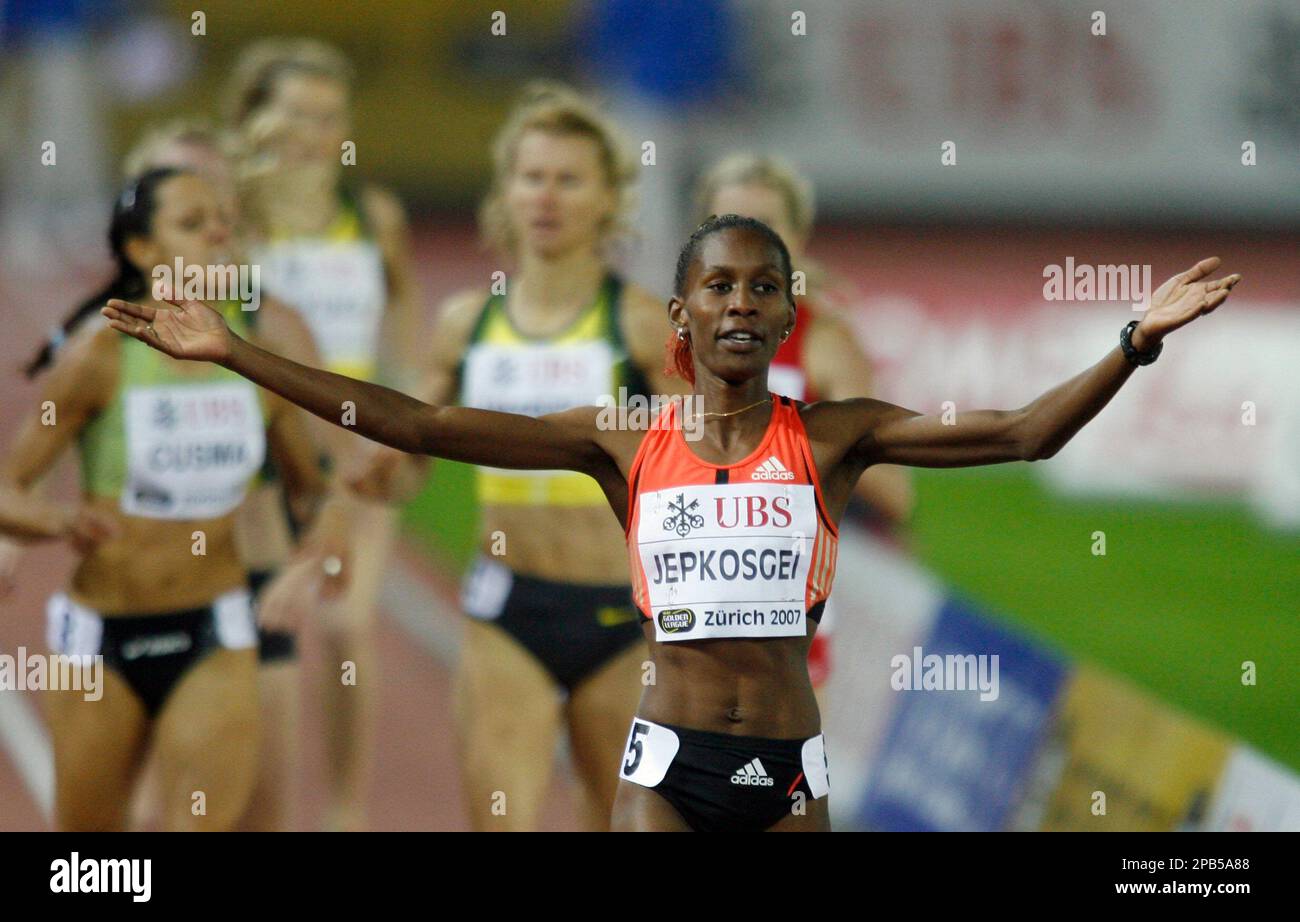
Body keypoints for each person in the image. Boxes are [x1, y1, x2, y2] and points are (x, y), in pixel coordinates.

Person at [103, 214, 1241, 831]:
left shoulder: (836, 434)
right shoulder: (618, 437)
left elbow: (1023, 434)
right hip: (663, 766)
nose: (740, 303)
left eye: (761, 288)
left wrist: (1132, 342)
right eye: (719, 287)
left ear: (788, 310)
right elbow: (415, 423)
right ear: (680, 314)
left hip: (786, 765)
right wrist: (237, 353)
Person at [351, 83, 679, 830]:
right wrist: (386, 471)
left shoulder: (639, 325)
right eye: (532, 177)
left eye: (570, 179)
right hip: (507, 609)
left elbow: (705, 454)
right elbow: (416, 445)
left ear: (608, 199)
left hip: (623, 619)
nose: (547, 197)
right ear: (507, 191)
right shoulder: (470, 322)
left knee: (621, 820)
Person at [3, 168, 347, 831]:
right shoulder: (98, 358)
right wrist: (60, 518)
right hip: (99, 641)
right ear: (141, 251)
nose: (217, 234)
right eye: (192, 223)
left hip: (213, 631)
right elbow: (7, 488)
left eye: (222, 220)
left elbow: (317, 490)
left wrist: (317, 555)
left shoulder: (253, 359)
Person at [223, 38, 422, 830]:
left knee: (343, 624)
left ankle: (343, 814)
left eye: (329, 114)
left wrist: (401, 405)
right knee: (251, 637)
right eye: (297, 113)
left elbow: (401, 302)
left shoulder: (372, 215)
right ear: (257, 119)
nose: (314, 130)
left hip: (354, 447)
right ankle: (248, 802)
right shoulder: (232, 213)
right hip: (262, 452)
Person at [694, 153, 914, 698]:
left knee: (784, 775)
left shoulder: (823, 340)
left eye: (763, 227)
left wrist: (782, 446)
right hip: (681, 588)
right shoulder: (665, 334)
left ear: (796, 237)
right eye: (729, 227)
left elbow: (893, 491)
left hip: (783, 599)